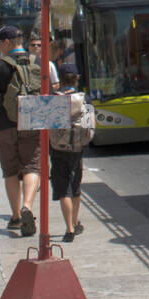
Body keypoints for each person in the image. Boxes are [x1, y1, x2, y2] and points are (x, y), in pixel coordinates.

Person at [0, 25, 42, 236]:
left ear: (7, 42)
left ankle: (15, 217)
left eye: (0, 44)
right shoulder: (39, 62)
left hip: (6, 125)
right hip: (32, 123)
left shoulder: (0, 67)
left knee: (10, 172)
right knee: (32, 166)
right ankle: (28, 206)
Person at [49, 67, 86, 243]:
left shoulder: (53, 99)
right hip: (77, 148)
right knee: (76, 185)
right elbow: (90, 125)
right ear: (76, 78)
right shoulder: (85, 99)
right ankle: (75, 221)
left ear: (60, 80)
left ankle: (69, 228)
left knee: (63, 188)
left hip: (57, 148)